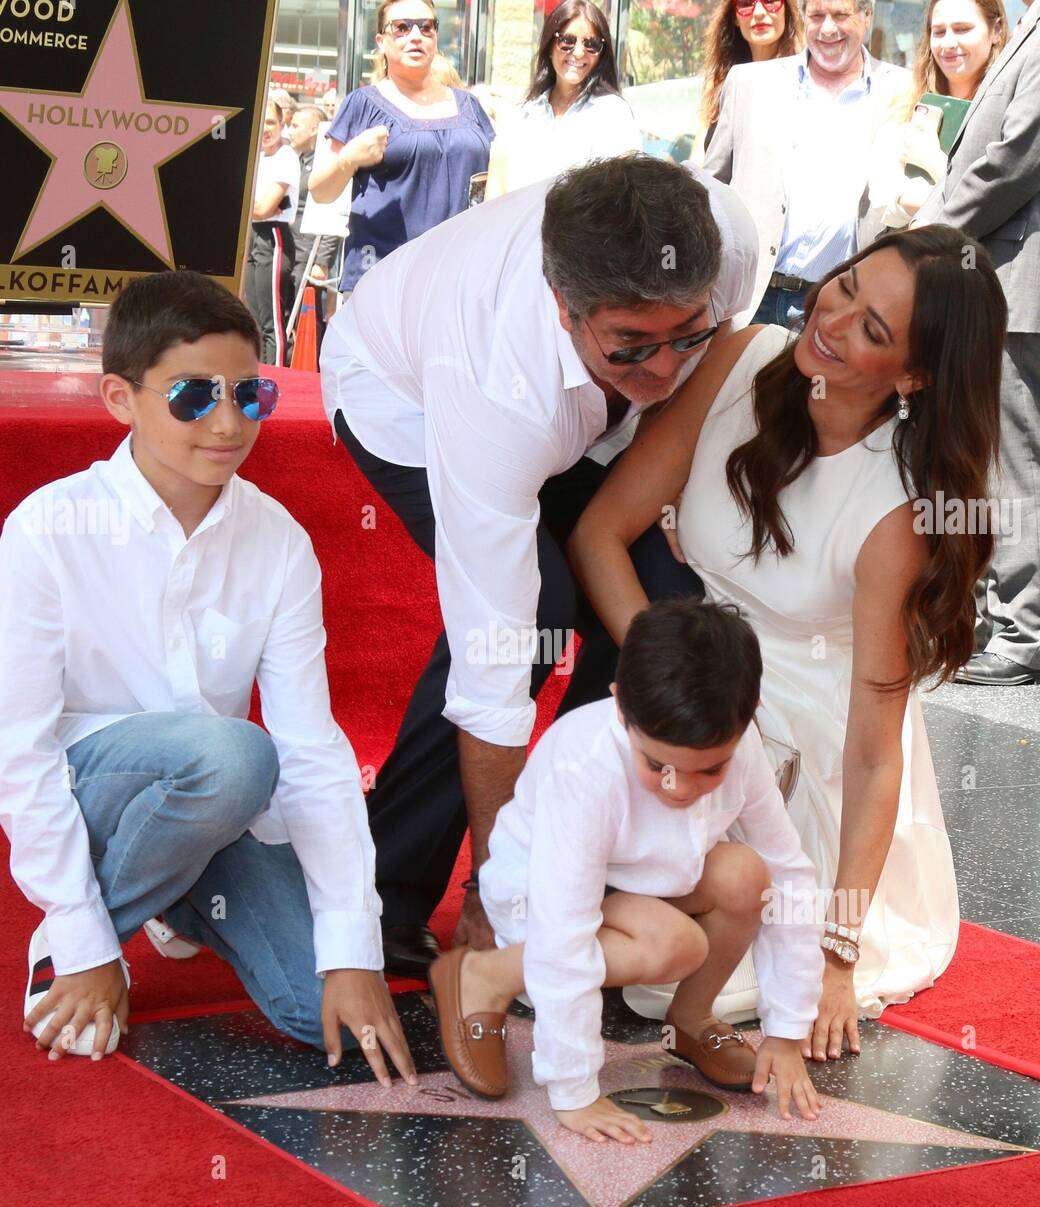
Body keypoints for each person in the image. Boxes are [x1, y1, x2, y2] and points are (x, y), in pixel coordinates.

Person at [567, 226, 1006, 1053]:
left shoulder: (896, 513)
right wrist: (670, 679)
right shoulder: (744, 357)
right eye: (844, 287)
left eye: (873, 329)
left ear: (913, 376)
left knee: (665, 973)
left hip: (810, 734)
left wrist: (837, 956)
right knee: (590, 890)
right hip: (699, 678)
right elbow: (599, 534)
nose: (832, 321)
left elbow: (876, 759)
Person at [319, 154, 758, 977]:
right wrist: (501, 890)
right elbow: (492, 668)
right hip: (399, 391)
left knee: (662, 602)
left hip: (586, 414)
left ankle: (602, 856)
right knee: (534, 623)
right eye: (632, 344)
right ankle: (387, 891)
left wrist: (654, 481)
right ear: (563, 308)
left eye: (683, 334)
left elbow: (704, 359)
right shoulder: (494, 386)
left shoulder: (727, 238)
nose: (664, 371)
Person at [0, 270, 415, 1086]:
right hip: (100, 789)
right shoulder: (47, 529)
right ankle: (81, 944)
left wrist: (354, 948)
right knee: (231, 756)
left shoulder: (278, 539)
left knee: (316, 1008)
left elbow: (312, 747)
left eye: (249, 395)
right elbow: (18, 749)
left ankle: (173, 883)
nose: (228, 424)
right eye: (193, 396)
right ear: (121, 398)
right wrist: (84, 940)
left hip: (216, 806)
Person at [428, 599, 825, 1142]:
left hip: (645, 886)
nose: (679, 788)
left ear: (748, 713)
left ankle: (691, 1020)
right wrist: (573, 1091)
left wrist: (786, 1030)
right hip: (541, 900)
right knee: (676, 944)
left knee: (747, 874)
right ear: (620, 706)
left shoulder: (744, 743)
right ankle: (487, 973)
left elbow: (790, 874)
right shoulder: (584, 765)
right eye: (657, 765)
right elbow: (564, 925)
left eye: (709, 769)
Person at [916, 0, 1040, 685]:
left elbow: (1015, 156)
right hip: (1006, 283)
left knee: (1014, 461)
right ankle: (1005, 616)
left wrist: (928, 231)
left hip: (1022, 288)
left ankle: (1020, 632)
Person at [703, 0, 912, 328]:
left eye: (841, 15)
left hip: (834, 304)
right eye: (817, 16)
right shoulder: (749, 84)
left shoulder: (900, 90)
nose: (828, 28)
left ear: (867, 16)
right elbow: (712, 189)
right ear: (803, 18)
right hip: (747, 301)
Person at [308, 0, 494, 295]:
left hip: (458, 278)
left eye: (426, 26)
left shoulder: (469, 106)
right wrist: (348, 160)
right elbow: (320, 192)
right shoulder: (363, 103)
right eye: (402, 28)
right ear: (382, 41)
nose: (416, 35)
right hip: (384, 277)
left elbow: (494, 184)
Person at [869, 0, 1006, 229]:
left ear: (997, 31)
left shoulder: (1011, 111)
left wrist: (932, 160)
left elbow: (995, 205)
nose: (949, 43)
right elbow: (881, 200)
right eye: (939, 31)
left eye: (963, 29)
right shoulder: (905, 103)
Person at [484, 0, 641, 199]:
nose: (578, 52)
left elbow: (623, 194)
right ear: (550, 45)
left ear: (601, 54)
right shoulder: (521, 115)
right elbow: (496, 187)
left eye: (591, 44)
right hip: (516, 228)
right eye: (567, 41)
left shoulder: (613, 114)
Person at [697, 0, 803, 160]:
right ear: (734, 17)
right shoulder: (719, 85)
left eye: (769, 1)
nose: (759, 12)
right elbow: (699, 163)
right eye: (746, 3)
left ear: (786, 10)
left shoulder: (806, 80)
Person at [244, 100, 300, 366]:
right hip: (253, 236)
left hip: (273, 238)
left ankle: (277, 383)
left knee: (272, 322)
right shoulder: (255, 155)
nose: (266, 129)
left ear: (282, 124)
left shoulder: (285, 156)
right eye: (261, 122)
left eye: (271, 122)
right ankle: (256, 383)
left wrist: (257, 207)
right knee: (253, 320)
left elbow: (264, 208)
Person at [287, 104, 342, 301]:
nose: (289, 131)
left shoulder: (325, 166)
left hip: (308, 253)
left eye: (295, 126)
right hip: (290, 249)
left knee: (307, 316)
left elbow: (332, 210)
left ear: (314, 129)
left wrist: (322, 260)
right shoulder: (296, 159)